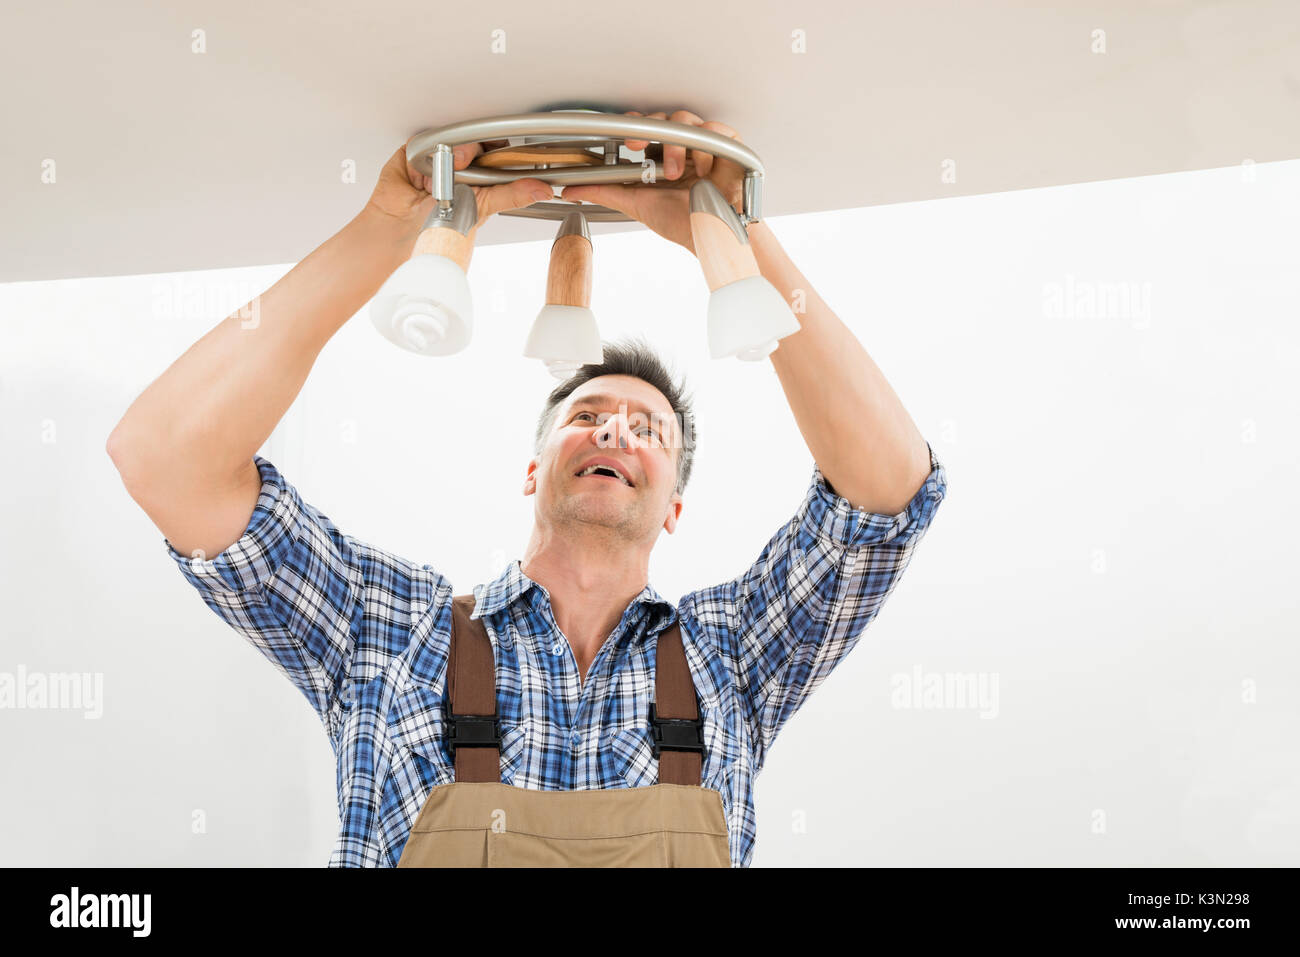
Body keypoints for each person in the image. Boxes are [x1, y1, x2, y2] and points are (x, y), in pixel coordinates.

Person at [106, 112, 948, 867]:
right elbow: (164, 457)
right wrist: (386, 231)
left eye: (650, 430)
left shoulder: (730, 657)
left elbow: (887, 490)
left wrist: (732, 241)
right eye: (588, 415)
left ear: (675, 508)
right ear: (534, 469)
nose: (617, 430)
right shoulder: (389, 631)